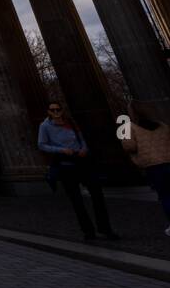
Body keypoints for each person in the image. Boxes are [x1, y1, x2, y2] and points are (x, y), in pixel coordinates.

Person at [38, 101, 118, 240]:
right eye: (53, 110)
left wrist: (84, 149)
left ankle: (105, 228)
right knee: (76, 201)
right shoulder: (45, 126)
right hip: (65, 165)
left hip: (82, 162)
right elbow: (41, 145)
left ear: (62, 110)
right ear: (48, 112)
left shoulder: (70, 122)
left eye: (58, 109)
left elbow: (82, 138)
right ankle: (88, 231)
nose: (56, 112)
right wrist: (61, 150)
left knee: (98, 195)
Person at [120, 101, 170, 236]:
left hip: (153, 166)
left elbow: (129, 147)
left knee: (165, 197)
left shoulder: (128, 127)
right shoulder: (162, 125)